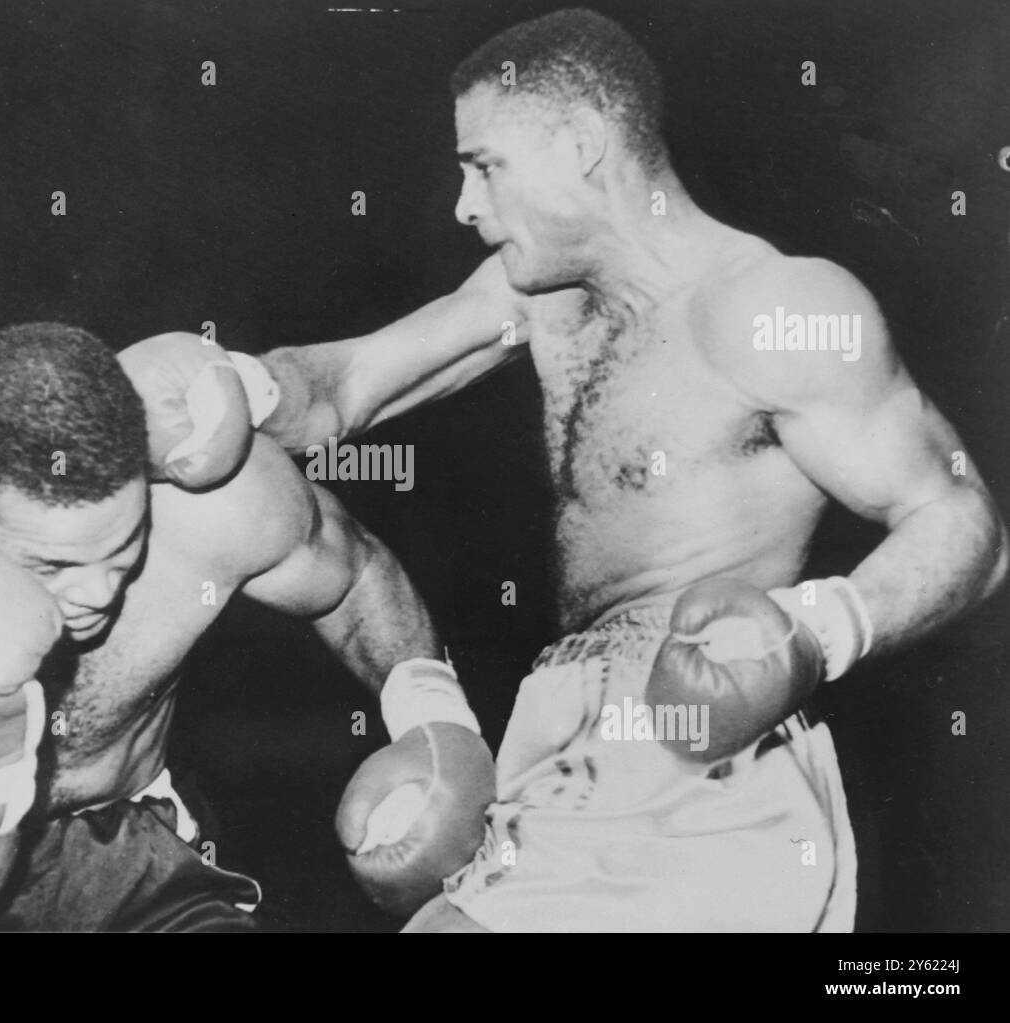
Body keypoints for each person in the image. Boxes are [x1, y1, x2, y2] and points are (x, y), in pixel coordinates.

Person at [148, 9, 1008, 931]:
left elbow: (965, 523)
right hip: (558, 724)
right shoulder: (539, 298)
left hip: (697, 744)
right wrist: (236, 387)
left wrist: (814, 632)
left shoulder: (773, 309)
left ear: (583, 143)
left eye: (485, 165)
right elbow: (347, 385)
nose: (464, 204)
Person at [0, 322, 492, 932]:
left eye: (120, 547)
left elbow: (352, 575)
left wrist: (433, 715)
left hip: (132, 853)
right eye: (54, 564)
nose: (97, 593)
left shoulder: (210, 511)